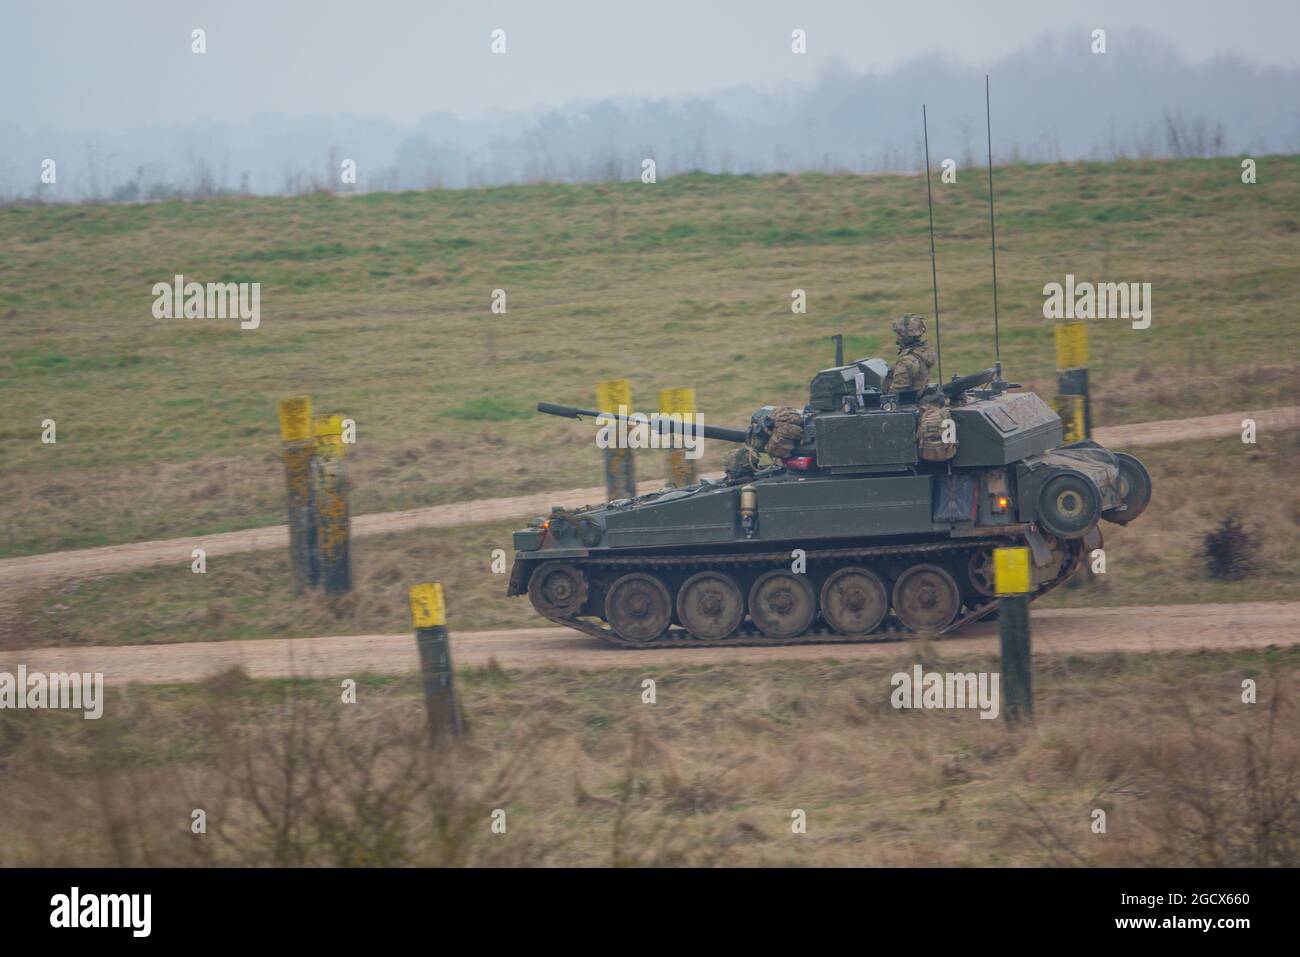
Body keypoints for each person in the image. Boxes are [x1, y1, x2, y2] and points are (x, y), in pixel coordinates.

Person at [882, 313, 937, 394]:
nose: (897, 340)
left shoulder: (907, 362)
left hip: (904, 403)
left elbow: (895, 393)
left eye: (900, 335)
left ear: (908, 338)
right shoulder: (924, 353)